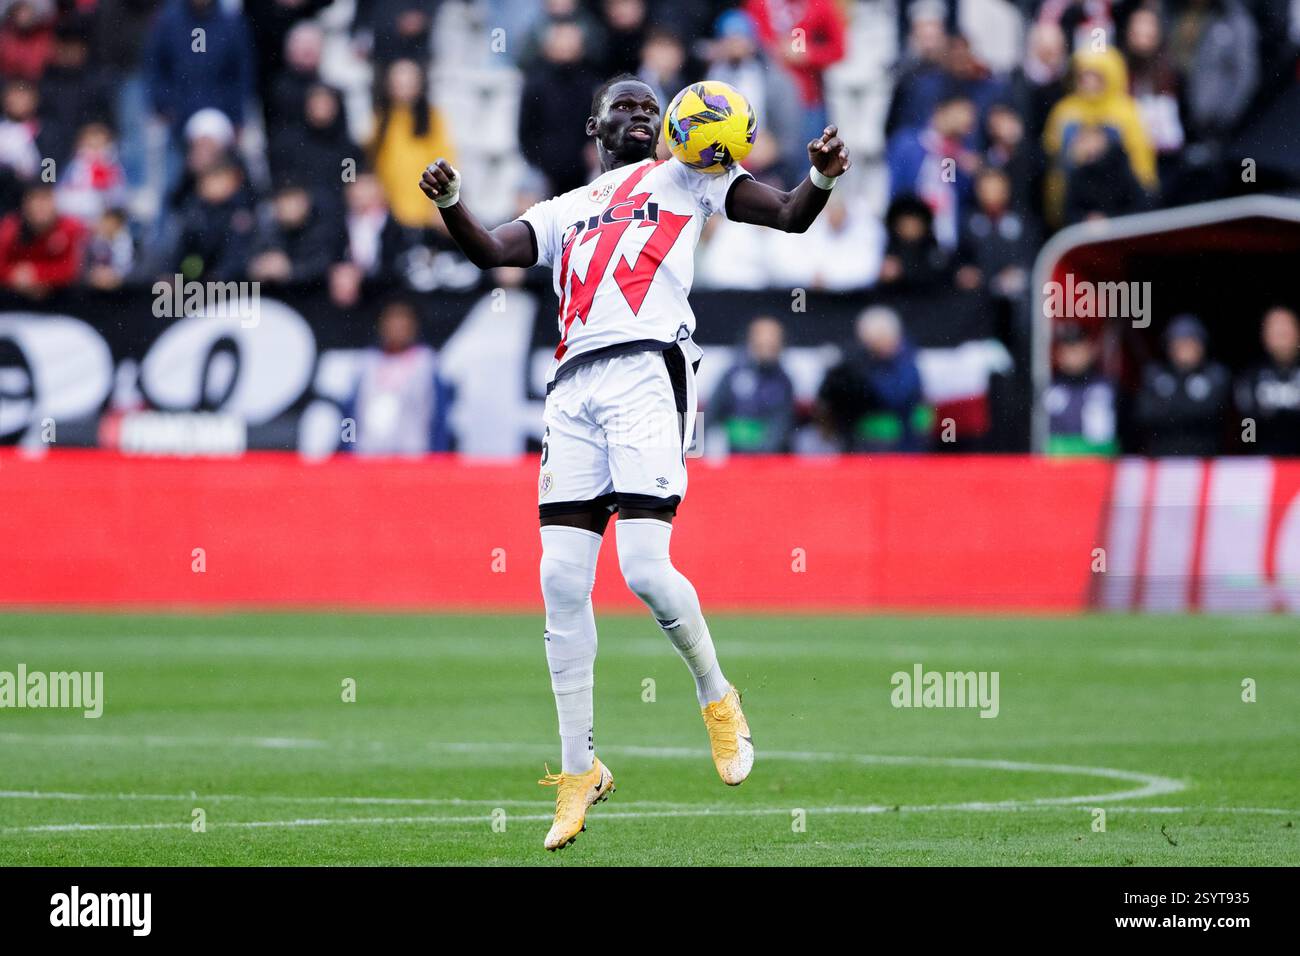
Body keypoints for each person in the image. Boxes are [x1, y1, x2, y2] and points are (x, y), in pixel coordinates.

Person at [419, 72, 850, 850]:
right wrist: (451, 204)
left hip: (649, 372)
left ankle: (717, 698)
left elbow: (789, 216)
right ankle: (579, 768)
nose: (641, 116)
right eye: (625, 106)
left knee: (645, 568)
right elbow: (491, 252)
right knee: (558, 581)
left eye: (651, 107)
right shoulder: (564, 209)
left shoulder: (692, 174)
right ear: (596, 125)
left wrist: (819, 174)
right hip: (572, 386)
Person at [816, 306, 927, 452]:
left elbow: (896, 397)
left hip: (903, 438)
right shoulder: (860, 358)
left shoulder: (905, 361)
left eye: (877, 339)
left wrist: (866, 380)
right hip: (862, 438)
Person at [1134, 315, 1230, 456]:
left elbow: (1214, 411)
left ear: (1202, 345)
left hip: (1205, 458)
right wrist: (1188, 405)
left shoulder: (1216, 374)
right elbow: (1144, 413)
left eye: (1190, 342)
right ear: (1169, 346)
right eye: (1179, 342)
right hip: (1162, 459)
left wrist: (1169, 406)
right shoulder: (1154, 375)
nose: (1185, 349)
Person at [708, 316, 796, 453]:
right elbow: (710, 413)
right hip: (729, 459)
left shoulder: (783, 383)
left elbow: (778, 433)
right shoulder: (733, 375)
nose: (768, 341)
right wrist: (694, 453)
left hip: (765, 463)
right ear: (750, 340)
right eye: (762, 337)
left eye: (773, 339)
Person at [1235, 306, 1300, 456]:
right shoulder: (1251, 376)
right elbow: (1247, 424)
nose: (1281, 335)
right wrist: (1249, 451)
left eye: (1286, 328)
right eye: (1275, 330)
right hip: (1264, 460)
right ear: (1265, 335)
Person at [1045, 322, 1116, 455]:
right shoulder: (1047, 388)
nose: (1072, 356)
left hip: (1099, 464)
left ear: (1090, 350)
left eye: (1077, 349)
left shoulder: (1108, 387)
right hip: (1057, 465)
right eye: (1067, 350)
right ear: (1058, 354)